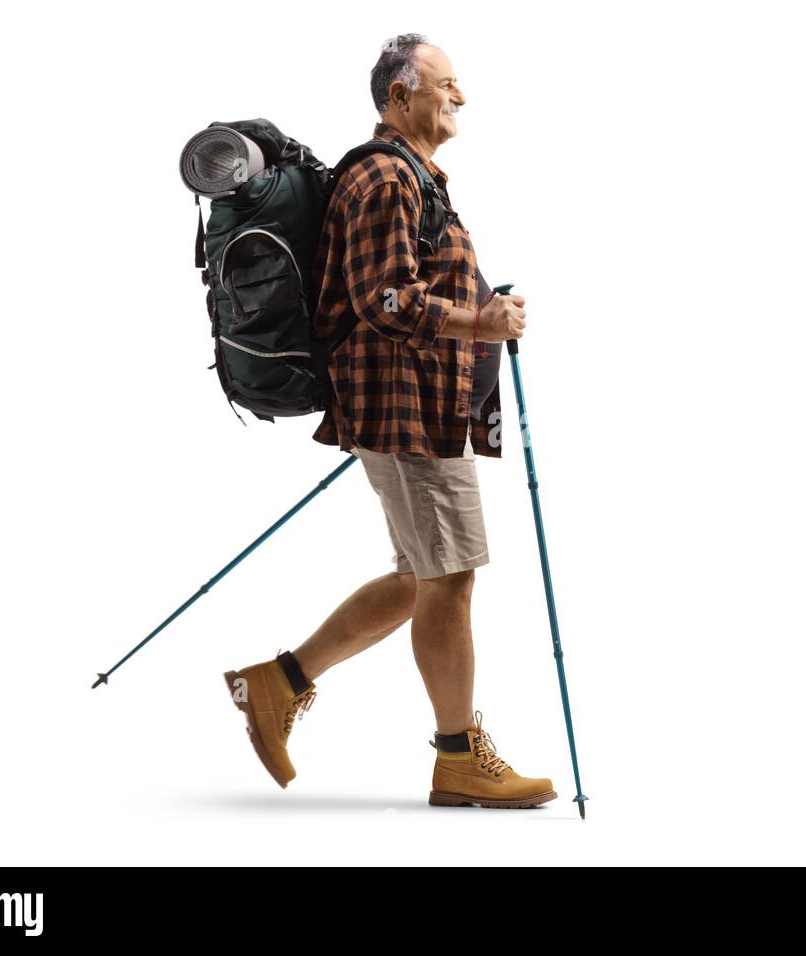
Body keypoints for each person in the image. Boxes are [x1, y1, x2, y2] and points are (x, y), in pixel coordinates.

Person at [223, 34, 557, 810]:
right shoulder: (382, 178)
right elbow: (385, 299)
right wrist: (482, 322)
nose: (461, 97)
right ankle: (458, 756)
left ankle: (277, 685)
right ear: (399, 96)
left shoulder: (408, 176)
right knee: (449, 576)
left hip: (413, 407)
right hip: (404, 411)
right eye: (447, 84)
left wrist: (479, 314)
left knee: (421, 576)